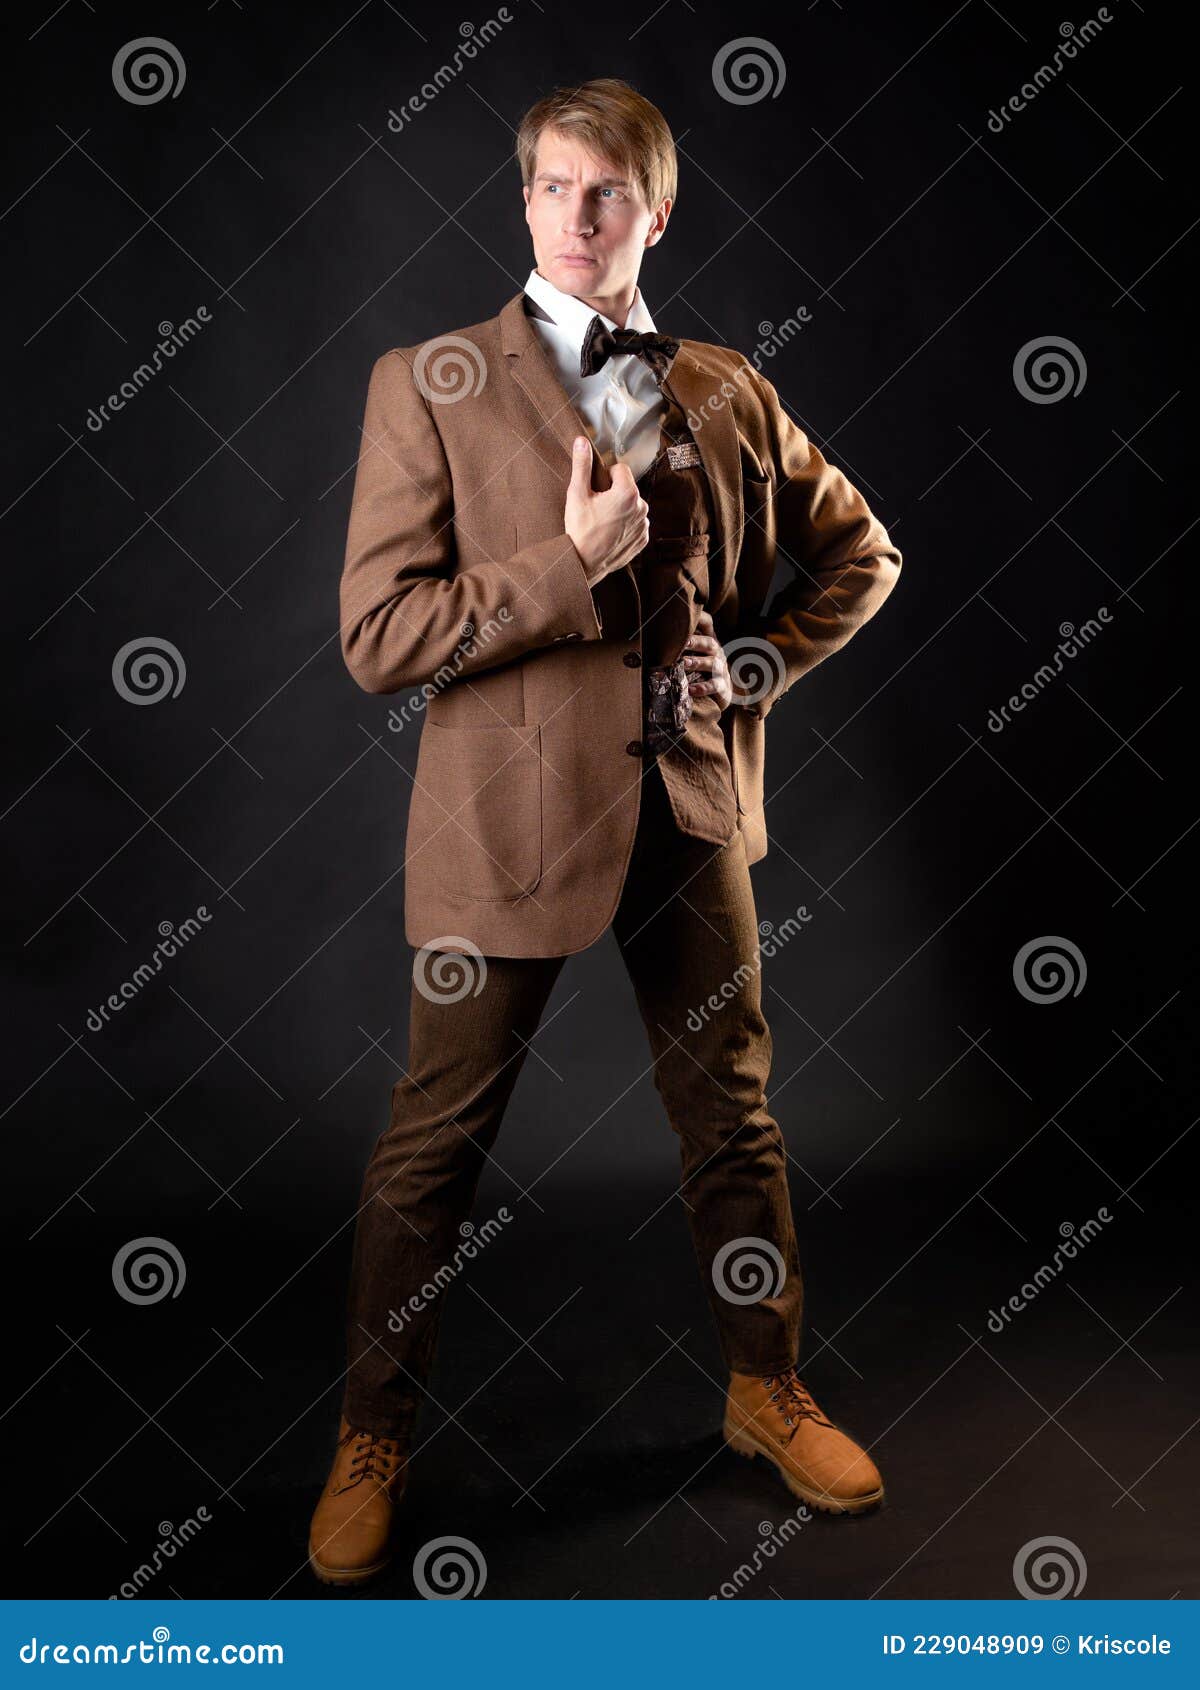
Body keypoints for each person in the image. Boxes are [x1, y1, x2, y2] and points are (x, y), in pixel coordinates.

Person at [309, 76, 902, 1586]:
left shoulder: (720, 384)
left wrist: (754, 660)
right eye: (556, 188)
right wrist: (560, 570)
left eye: (611, 192)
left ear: (657, 208)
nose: (581, 217)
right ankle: (370, 1433)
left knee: (737, 1124)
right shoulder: (425, 379)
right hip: (503, 831)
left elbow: (864, 549)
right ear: (521, 203)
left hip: (690, 810)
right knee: (432, 1147)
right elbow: (379, 636)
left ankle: (764, 1388)